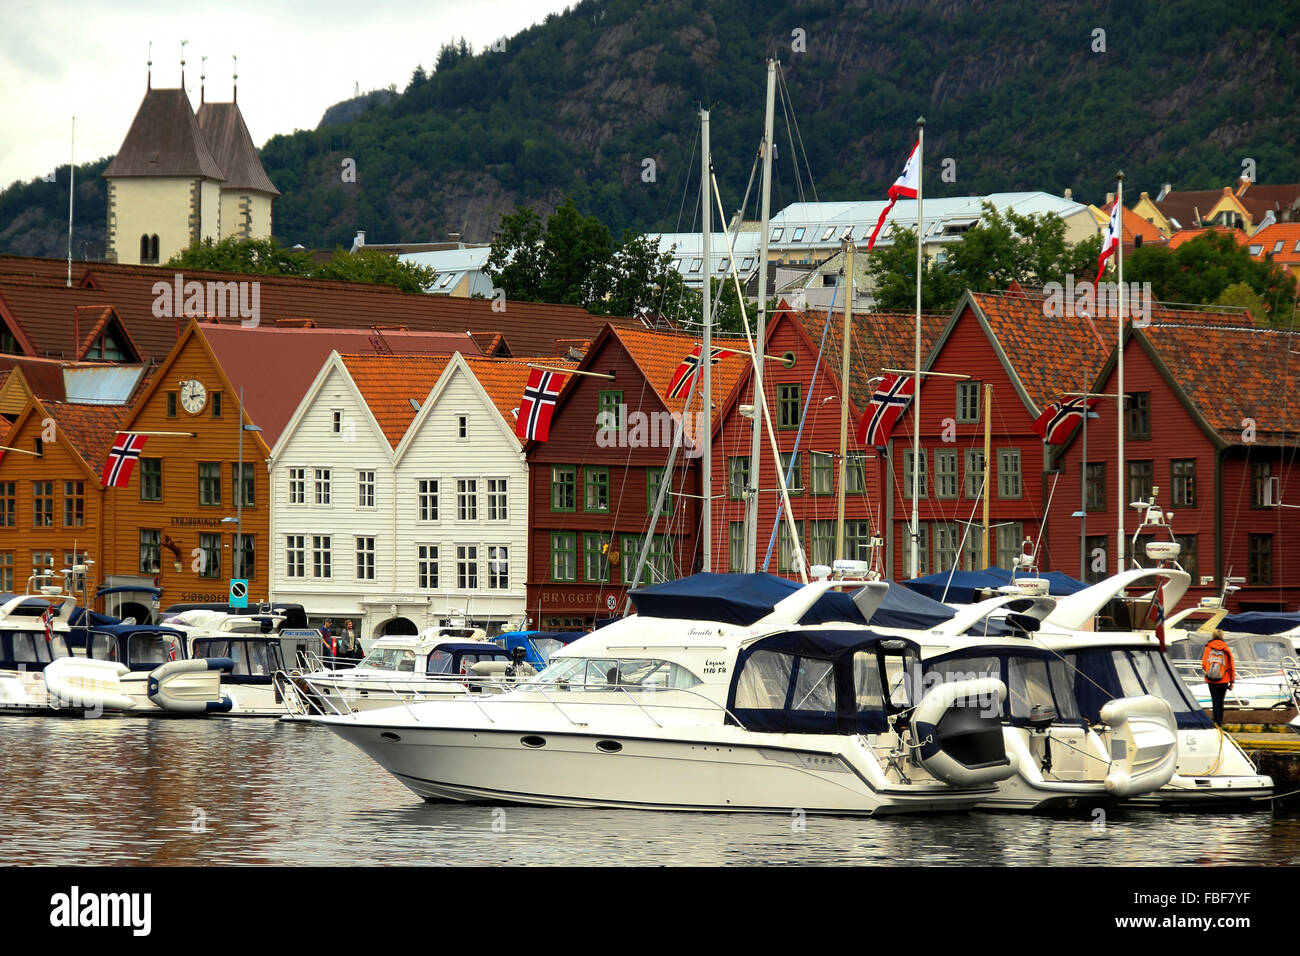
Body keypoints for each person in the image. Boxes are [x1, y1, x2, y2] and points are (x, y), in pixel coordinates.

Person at [1201, 629, 1235, 726]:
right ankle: (1219, 724)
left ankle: (1215, 723)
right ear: (1222, 636)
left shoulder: (1208, 648)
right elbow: (1231, 665)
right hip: (1224, 679)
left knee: (1214, 701)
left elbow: (1203, 664)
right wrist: (1232, 681)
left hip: (1211, 680)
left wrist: (1210, 672)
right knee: (1220, 702)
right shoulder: (1226, 649)